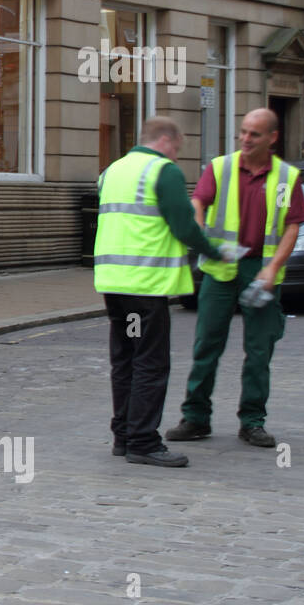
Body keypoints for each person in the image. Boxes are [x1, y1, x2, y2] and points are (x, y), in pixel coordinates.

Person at [94, 116, 232, 468]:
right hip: (146, 286)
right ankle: (143, 441)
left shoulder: (112, 171)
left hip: (115, 285)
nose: (177, 156)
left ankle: (124, 436)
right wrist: (215, 252)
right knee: (150, 364)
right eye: (178, 148)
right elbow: (184, 225)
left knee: (124, 359)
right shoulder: (163, 171)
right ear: (167, 141)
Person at [166, 108, 304, 447]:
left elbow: (292, 225)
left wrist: (272, 269)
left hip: (259, 270)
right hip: (220, 268)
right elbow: (198, 203)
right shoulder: (221, 167)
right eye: (243, 131)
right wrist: (200, 234)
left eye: (254, 134)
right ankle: (195, 419)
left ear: (272, 138)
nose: (245, 139)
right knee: (206, 346)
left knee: (259, 351)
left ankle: (253, 422)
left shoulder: (286, 177)